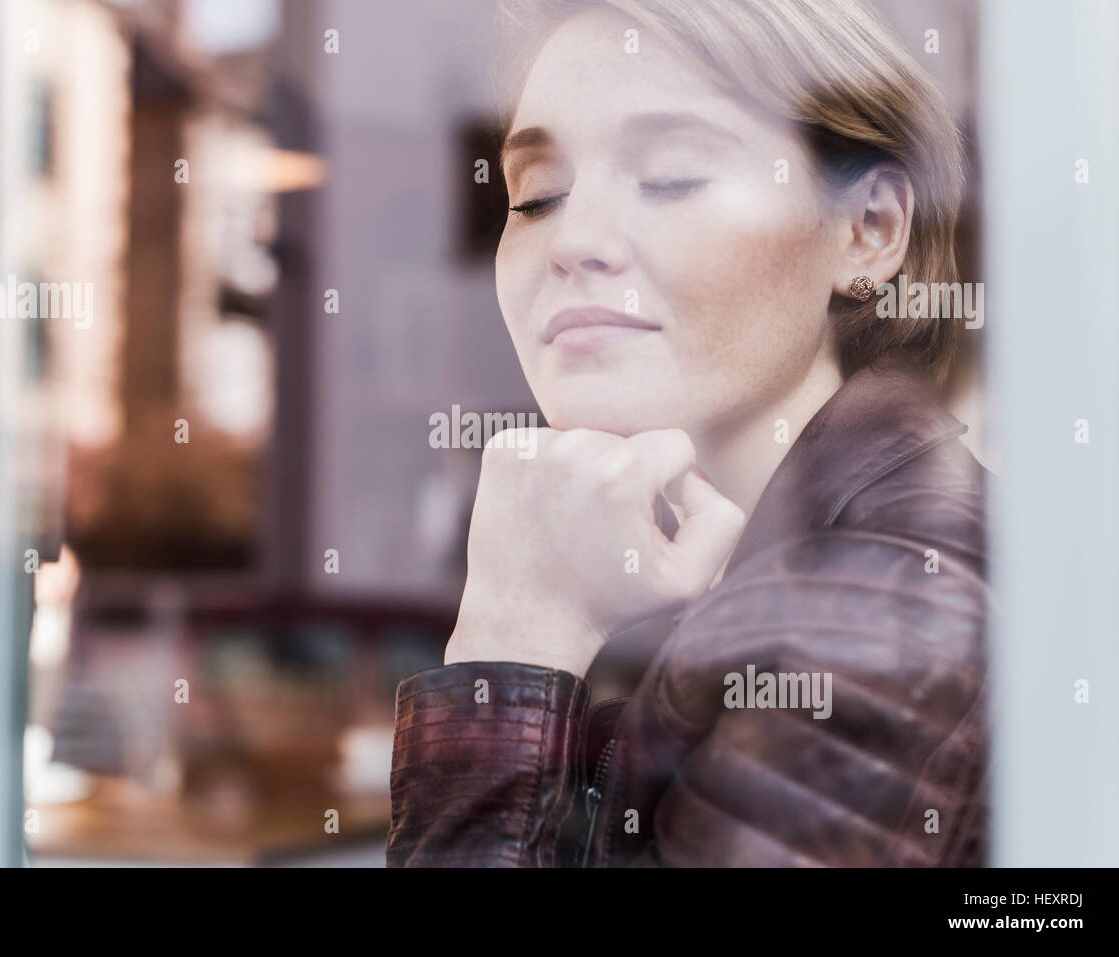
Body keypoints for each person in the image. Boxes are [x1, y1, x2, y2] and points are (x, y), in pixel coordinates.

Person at [387, 0, 989, 867]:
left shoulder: (873, 603)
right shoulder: (787, 566)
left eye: (669, 175)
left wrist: (508, 644)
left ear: (870, 230)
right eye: (535, 197)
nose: (573, 240)